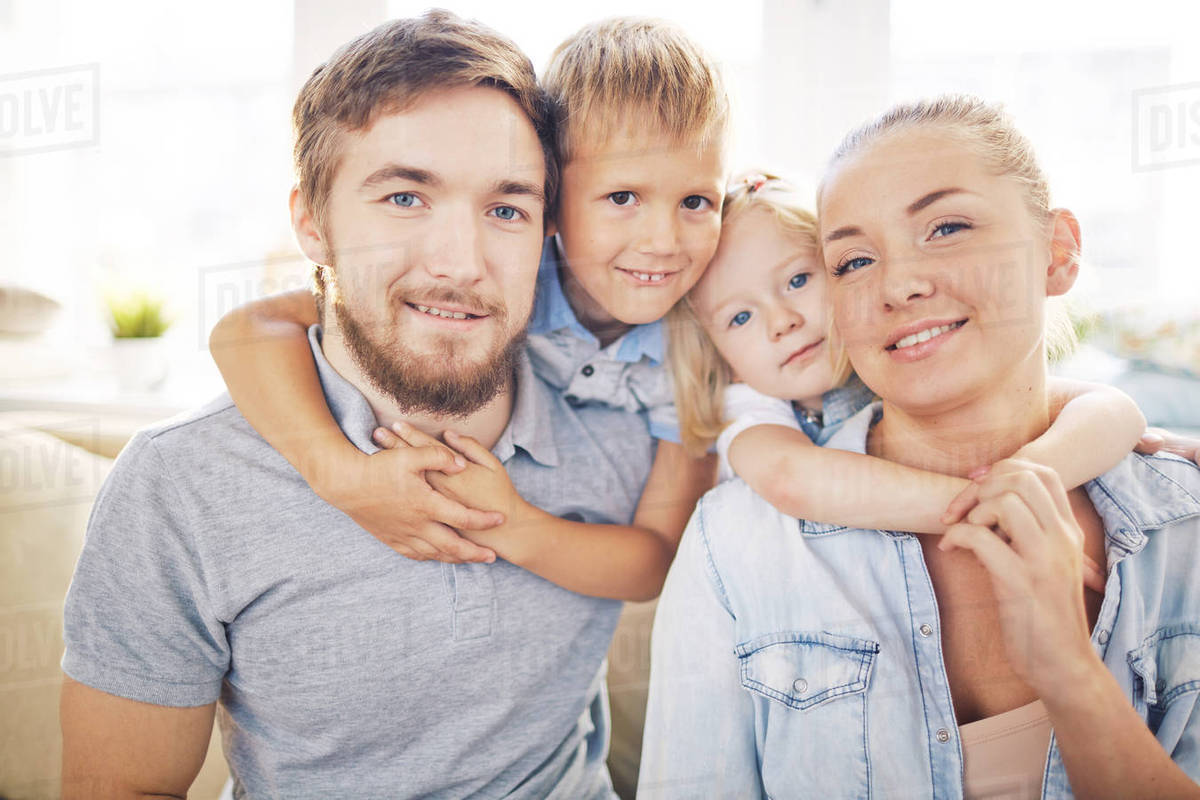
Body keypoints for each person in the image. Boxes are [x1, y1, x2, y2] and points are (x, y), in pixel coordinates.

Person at [60, 13, 653, 798]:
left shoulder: (628, 420)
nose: (459, 264)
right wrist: (334, 470)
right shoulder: (182, 483)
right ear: (312, 222)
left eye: (506, 209)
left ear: (547, 233)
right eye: (405, 197)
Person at [640, 96, 1200, 798]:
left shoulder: (1183, 526)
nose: (899, 285)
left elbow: (1113, 408)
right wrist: (986, 501)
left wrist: (1068, 671)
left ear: (1057, 252)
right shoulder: (734, 545)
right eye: (854, 261)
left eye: (947, 227)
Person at [667, 172, 1145, 569]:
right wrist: (986, 510)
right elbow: (789, 478)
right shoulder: (749, 409)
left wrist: (1026, 480)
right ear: (721, 359)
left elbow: (1111, 409)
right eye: (740, 317)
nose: (781, 321)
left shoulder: (900, 361)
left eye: (797, 280)